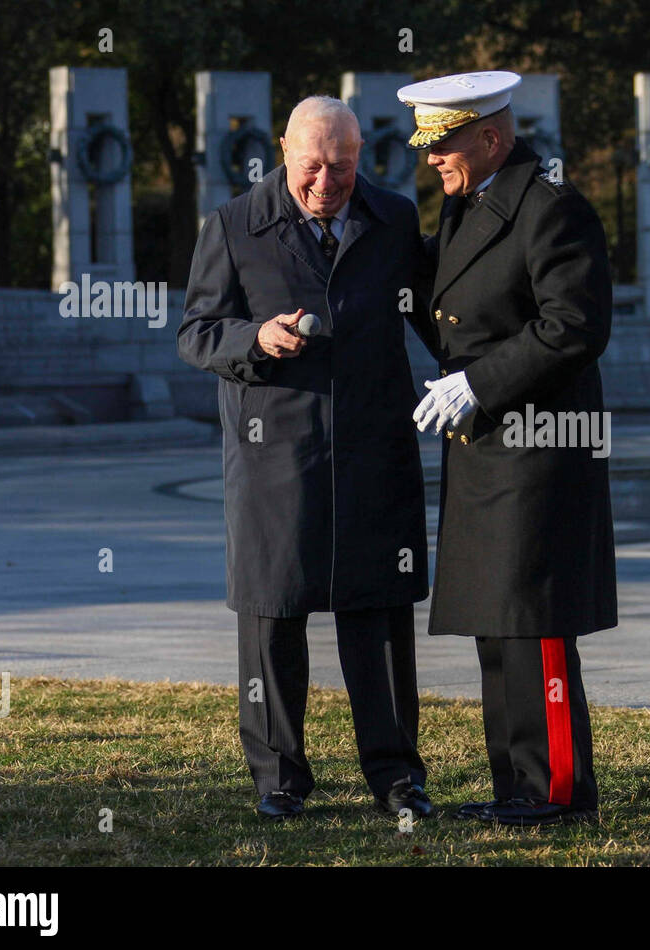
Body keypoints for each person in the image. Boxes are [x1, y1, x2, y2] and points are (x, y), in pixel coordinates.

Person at [177, 97, 436, 821]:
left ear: (363, 159)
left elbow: (433, 317)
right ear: (283, 150)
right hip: (273, 461)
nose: (328, 181)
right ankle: (279, 780)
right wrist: (256, 340)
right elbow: (197, 334)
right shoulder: (232, 224)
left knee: (380, 621)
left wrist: (492, 379)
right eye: (313, 166)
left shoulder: (394, 220)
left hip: (373, 453)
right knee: (271, 619)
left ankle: (396, 778)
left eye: (344, 167)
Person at [399, 72, 616, 826]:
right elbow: (453, 312)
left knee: (537, 626)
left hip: (538, 448)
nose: (433, 160)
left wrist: (479, 385)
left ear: (491, 137)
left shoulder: (551, 210)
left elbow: (574, 328)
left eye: (445, 144)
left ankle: (558, 791)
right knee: (500, 627)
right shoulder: (467, 209)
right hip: (489, 448)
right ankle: (517, 787)